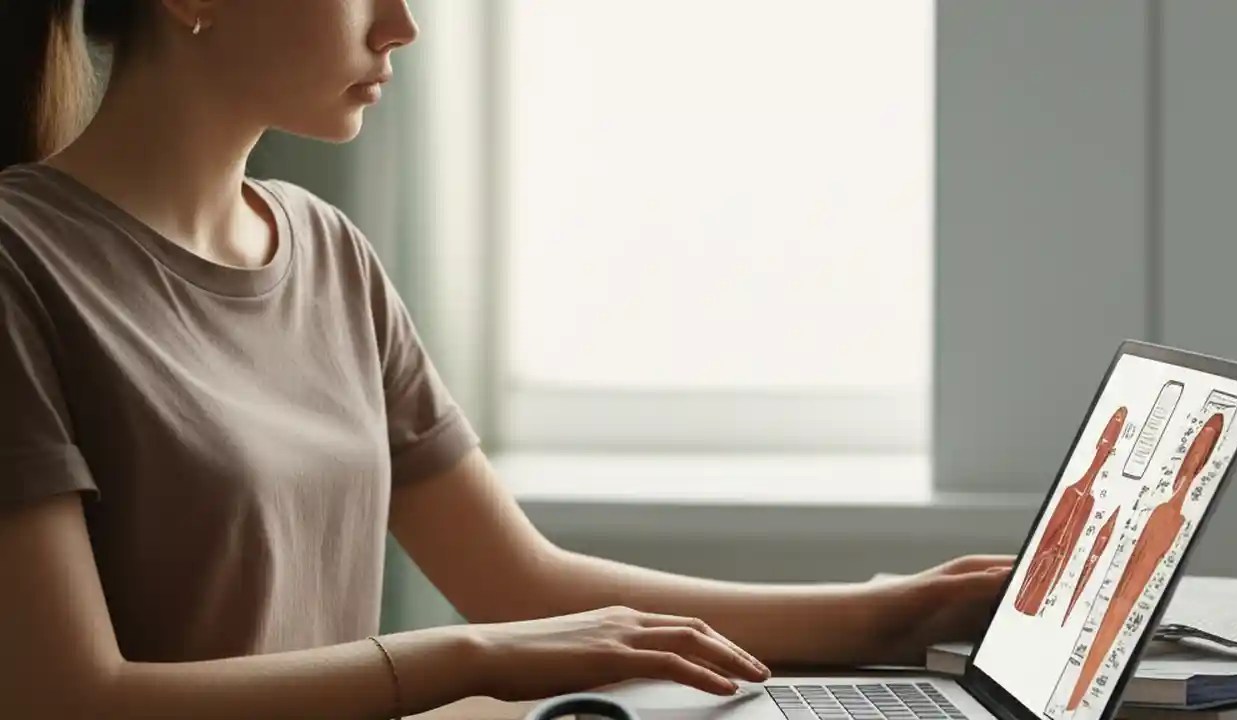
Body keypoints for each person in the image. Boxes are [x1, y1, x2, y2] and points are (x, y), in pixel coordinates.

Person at [0, 2, 1013, 718]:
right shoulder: (19, 265)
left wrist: (892, 614)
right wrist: (470, 662)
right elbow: (67, 698)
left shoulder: (327, 250)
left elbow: (520, 583)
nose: (401, 24)